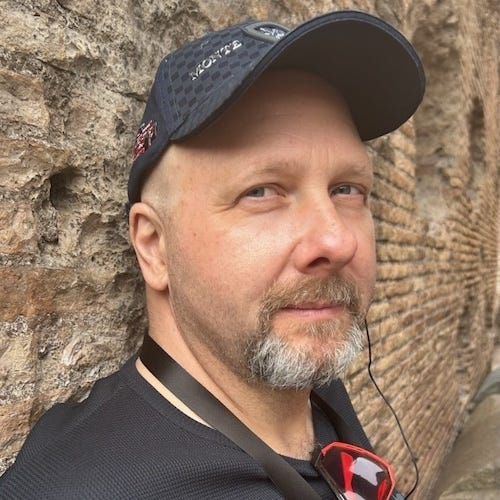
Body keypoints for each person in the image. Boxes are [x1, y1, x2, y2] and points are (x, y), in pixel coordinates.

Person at [0, 10, 425, 500]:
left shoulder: (311, 388)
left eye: (347, 189)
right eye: (261, 191)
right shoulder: (80, 488)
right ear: (154, 247)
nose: (337, 242)